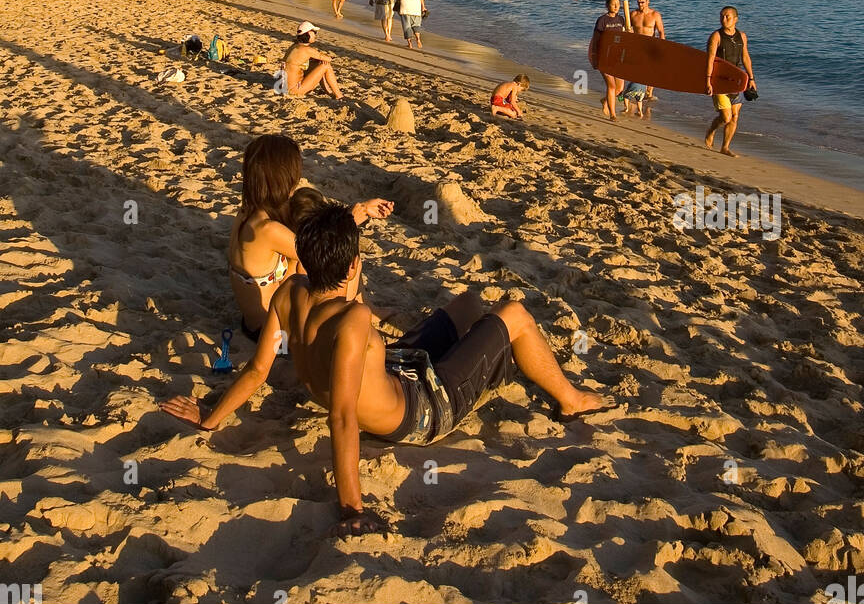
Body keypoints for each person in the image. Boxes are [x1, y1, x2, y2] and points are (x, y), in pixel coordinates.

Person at [161, 203, 611, 535]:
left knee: (470, 304)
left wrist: (209, 417)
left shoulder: (289, 293)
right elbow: (342, 417)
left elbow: (258, 370)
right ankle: (571, 401)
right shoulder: (352, 320)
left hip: (400, 367)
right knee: (513, 313)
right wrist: (352, 508)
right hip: (422, 410)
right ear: (354, 264)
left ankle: (500, 361)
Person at [223, 135, 393, 339]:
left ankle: (366, 306)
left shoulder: (249, 211)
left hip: (256, 321)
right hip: (273, 334)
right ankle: (354, 312)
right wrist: (352, 218)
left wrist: (362, 209)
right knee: (345, 254)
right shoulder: (266, 229)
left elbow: (315, 233)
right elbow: (322, 247)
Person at [704, 7, 757, 158]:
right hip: (719, 81)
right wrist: (708, 80)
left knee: (734, 117)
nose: (723, 19)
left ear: (735, 19)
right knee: (725, 117)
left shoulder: (742, 36)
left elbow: (745, 57)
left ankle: (725, 147)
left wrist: (751, 79)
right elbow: (710, 59)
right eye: (721, 16)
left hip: (737, 80)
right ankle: (711, 130)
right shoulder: (716, 36)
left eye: (727, 17)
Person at [278, 21, 344, 100]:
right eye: (314, 32)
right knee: (325, 65)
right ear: (308, 34)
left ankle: (330, 92)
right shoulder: (307, 50)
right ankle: (339, 95)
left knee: (319, 64)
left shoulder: (294, 46)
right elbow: (328, 59)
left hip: (282, 87)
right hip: (294, 90)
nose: (315, 35)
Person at [589, 0, 626, 120]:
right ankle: (613, 114)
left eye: (617, 4)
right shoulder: (602, 20)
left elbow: (626, 39)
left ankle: (605, 101)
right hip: (604, 57)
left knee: (620, 88)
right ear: (607, 5)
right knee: (612, 86)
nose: (616, 6)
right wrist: (594, 57)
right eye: (613, 4)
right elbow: (595, 40)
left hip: (618, 58)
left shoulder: (622, 19)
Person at [631, 0, 665, 102]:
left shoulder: (655, 15)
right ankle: (637, 93)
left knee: (651, 72)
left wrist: (662, 47)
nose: (640, 5)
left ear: (648, 1)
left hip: (651, 46)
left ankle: (649, 94)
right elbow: (627, 30)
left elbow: (661, 32)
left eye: (642, 2)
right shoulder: (633, 14)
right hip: (637, 47)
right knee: (638, 71)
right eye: (638, 2)